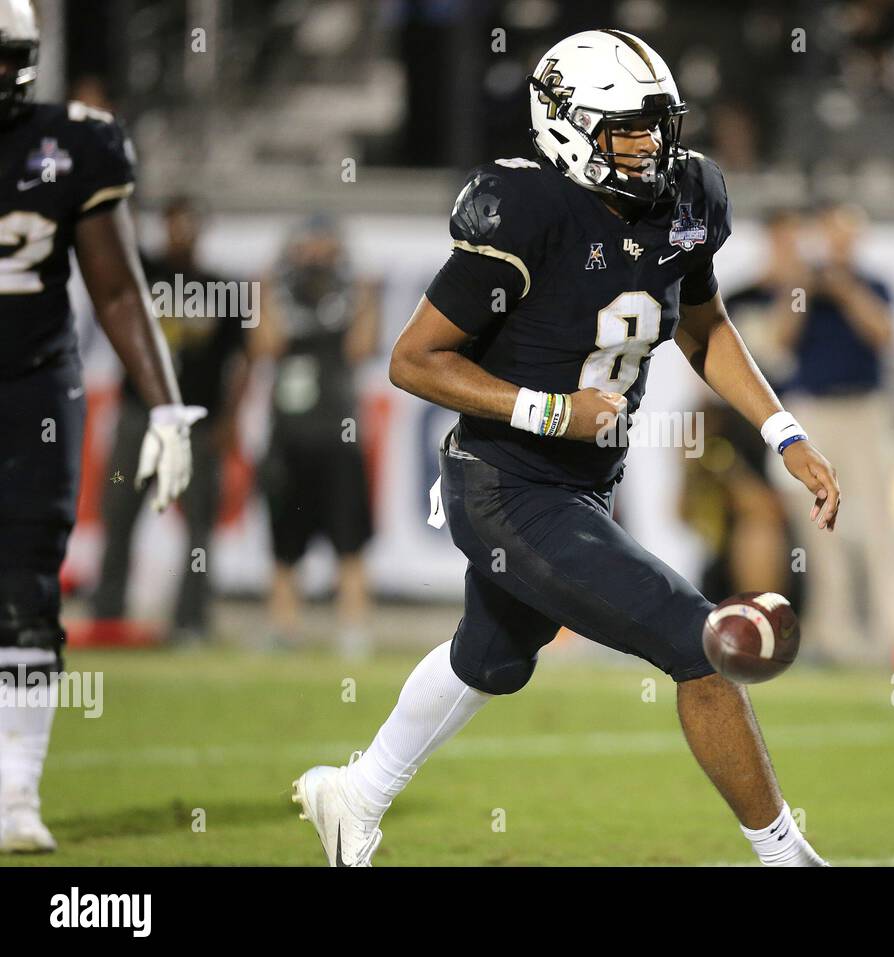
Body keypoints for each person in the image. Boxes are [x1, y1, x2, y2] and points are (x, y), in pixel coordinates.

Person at [292, 29, 840, 867]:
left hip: (584, 481)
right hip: (504, 483)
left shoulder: (689, 197)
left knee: (495, 657)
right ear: (567, 127)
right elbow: (413, 360)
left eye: (658, 125)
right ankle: (787, 857)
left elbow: (705, 325)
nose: (650, 146)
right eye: (626, 129)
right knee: (699, 643)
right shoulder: (530, 209)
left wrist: (784, 432)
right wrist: (548, 411)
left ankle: (353, 795)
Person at [0, 0, 201, 852]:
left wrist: (164, 404)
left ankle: (13, 792)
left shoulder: (73, 140)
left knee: (26, 585)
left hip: (31, 388)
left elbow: (117, 289)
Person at [728, 206, 894, 662]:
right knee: (821, 529)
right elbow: (780, 342)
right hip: (813, 415)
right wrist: (802, 286)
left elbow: (884, 334)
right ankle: (835, 633)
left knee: (880, 524)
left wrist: (844, 288)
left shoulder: (873, 284)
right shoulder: (793, 289)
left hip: (864, 410)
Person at [91, 197, 249, 645]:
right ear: (163, 225)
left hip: (198, 424)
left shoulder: (224, 288)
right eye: (175, 222)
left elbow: (241, 363)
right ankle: (107, 617)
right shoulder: (141, 274)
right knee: (117, 515)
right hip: (137, 418)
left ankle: (190, 624)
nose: (183, 231)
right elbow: (109, 241)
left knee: (199, 526)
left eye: (191, 223)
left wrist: (230, 421)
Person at [252, 214, 379, 659]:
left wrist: (365, 297)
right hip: (289, 436)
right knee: (285, 542)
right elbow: (264, 346)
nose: (314, 255)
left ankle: (354, 628)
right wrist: (265, 291)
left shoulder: (347, 295)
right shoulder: (282, 295)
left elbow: (362, 348)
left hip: (338, 436)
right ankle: (284, 627)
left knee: (350, 540)